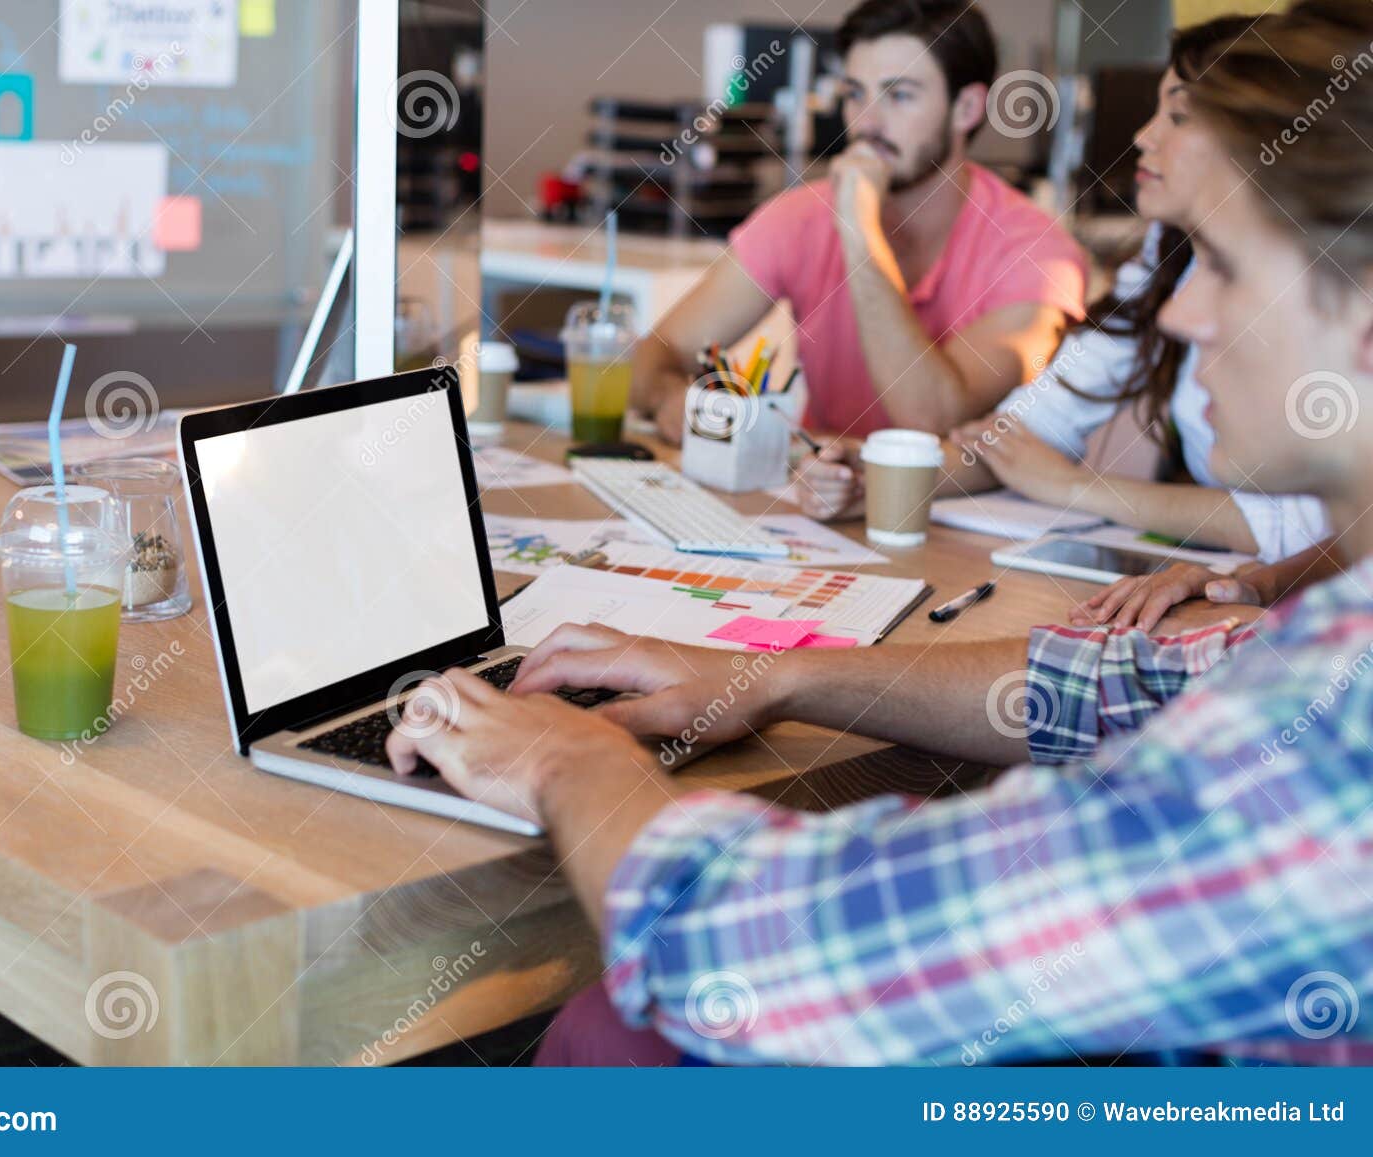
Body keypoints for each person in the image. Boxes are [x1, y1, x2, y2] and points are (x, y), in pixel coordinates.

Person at [389, 0, 1373, 1066]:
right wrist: (770, 675)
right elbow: (1121, 680)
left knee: (618, 1033)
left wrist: (564, 758)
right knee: (602, 1028)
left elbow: (749, 955)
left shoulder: (1329, 744)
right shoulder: (1315, 665)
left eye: (1224, 264)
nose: (1185, 311)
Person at [794, 15, 1337, 633]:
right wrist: (886, 479)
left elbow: (1317, 520)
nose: (1143, 135)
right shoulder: (1170, 253)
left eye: (1178, 117)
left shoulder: (1323, 284)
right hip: (1249, 596)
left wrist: (1074, 488)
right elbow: (1030, 431)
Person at [632, 0, 1087, 445]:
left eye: (900, 95)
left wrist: (859, 229)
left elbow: (930, 419)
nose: (866, 122)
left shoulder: (1039, 254)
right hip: (814, 501)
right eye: (854, 93)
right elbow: (658, 352)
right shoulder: (802, 216)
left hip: (958, 513)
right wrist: (672, 396)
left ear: (967, 109)